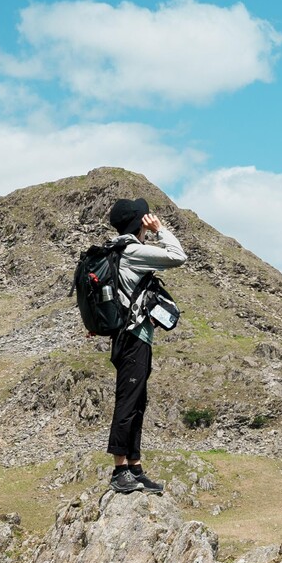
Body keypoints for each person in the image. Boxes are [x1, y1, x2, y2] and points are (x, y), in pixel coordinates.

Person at [103, 197, 186, 493]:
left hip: (132, 338)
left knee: (137, 402)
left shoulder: (118, 250)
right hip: (133, 339)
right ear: (140, 222)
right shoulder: (133, 251)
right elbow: (178, 256)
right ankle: (119, 471)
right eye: (145, 218)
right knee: (128, 402)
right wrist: (160, 230)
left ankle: (134, 467)